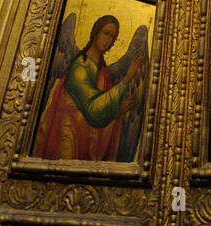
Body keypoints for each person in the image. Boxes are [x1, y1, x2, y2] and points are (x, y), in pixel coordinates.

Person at [34, 17, 144, 162]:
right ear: (96, 32)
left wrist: (119, 111)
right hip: (69, 140)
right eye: (106, 33)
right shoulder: (80, 67)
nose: (109, 40)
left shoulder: (103, 71)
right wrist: (126, 80)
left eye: (113, 37)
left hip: (87, 144)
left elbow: (101, 111)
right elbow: (93, 109)